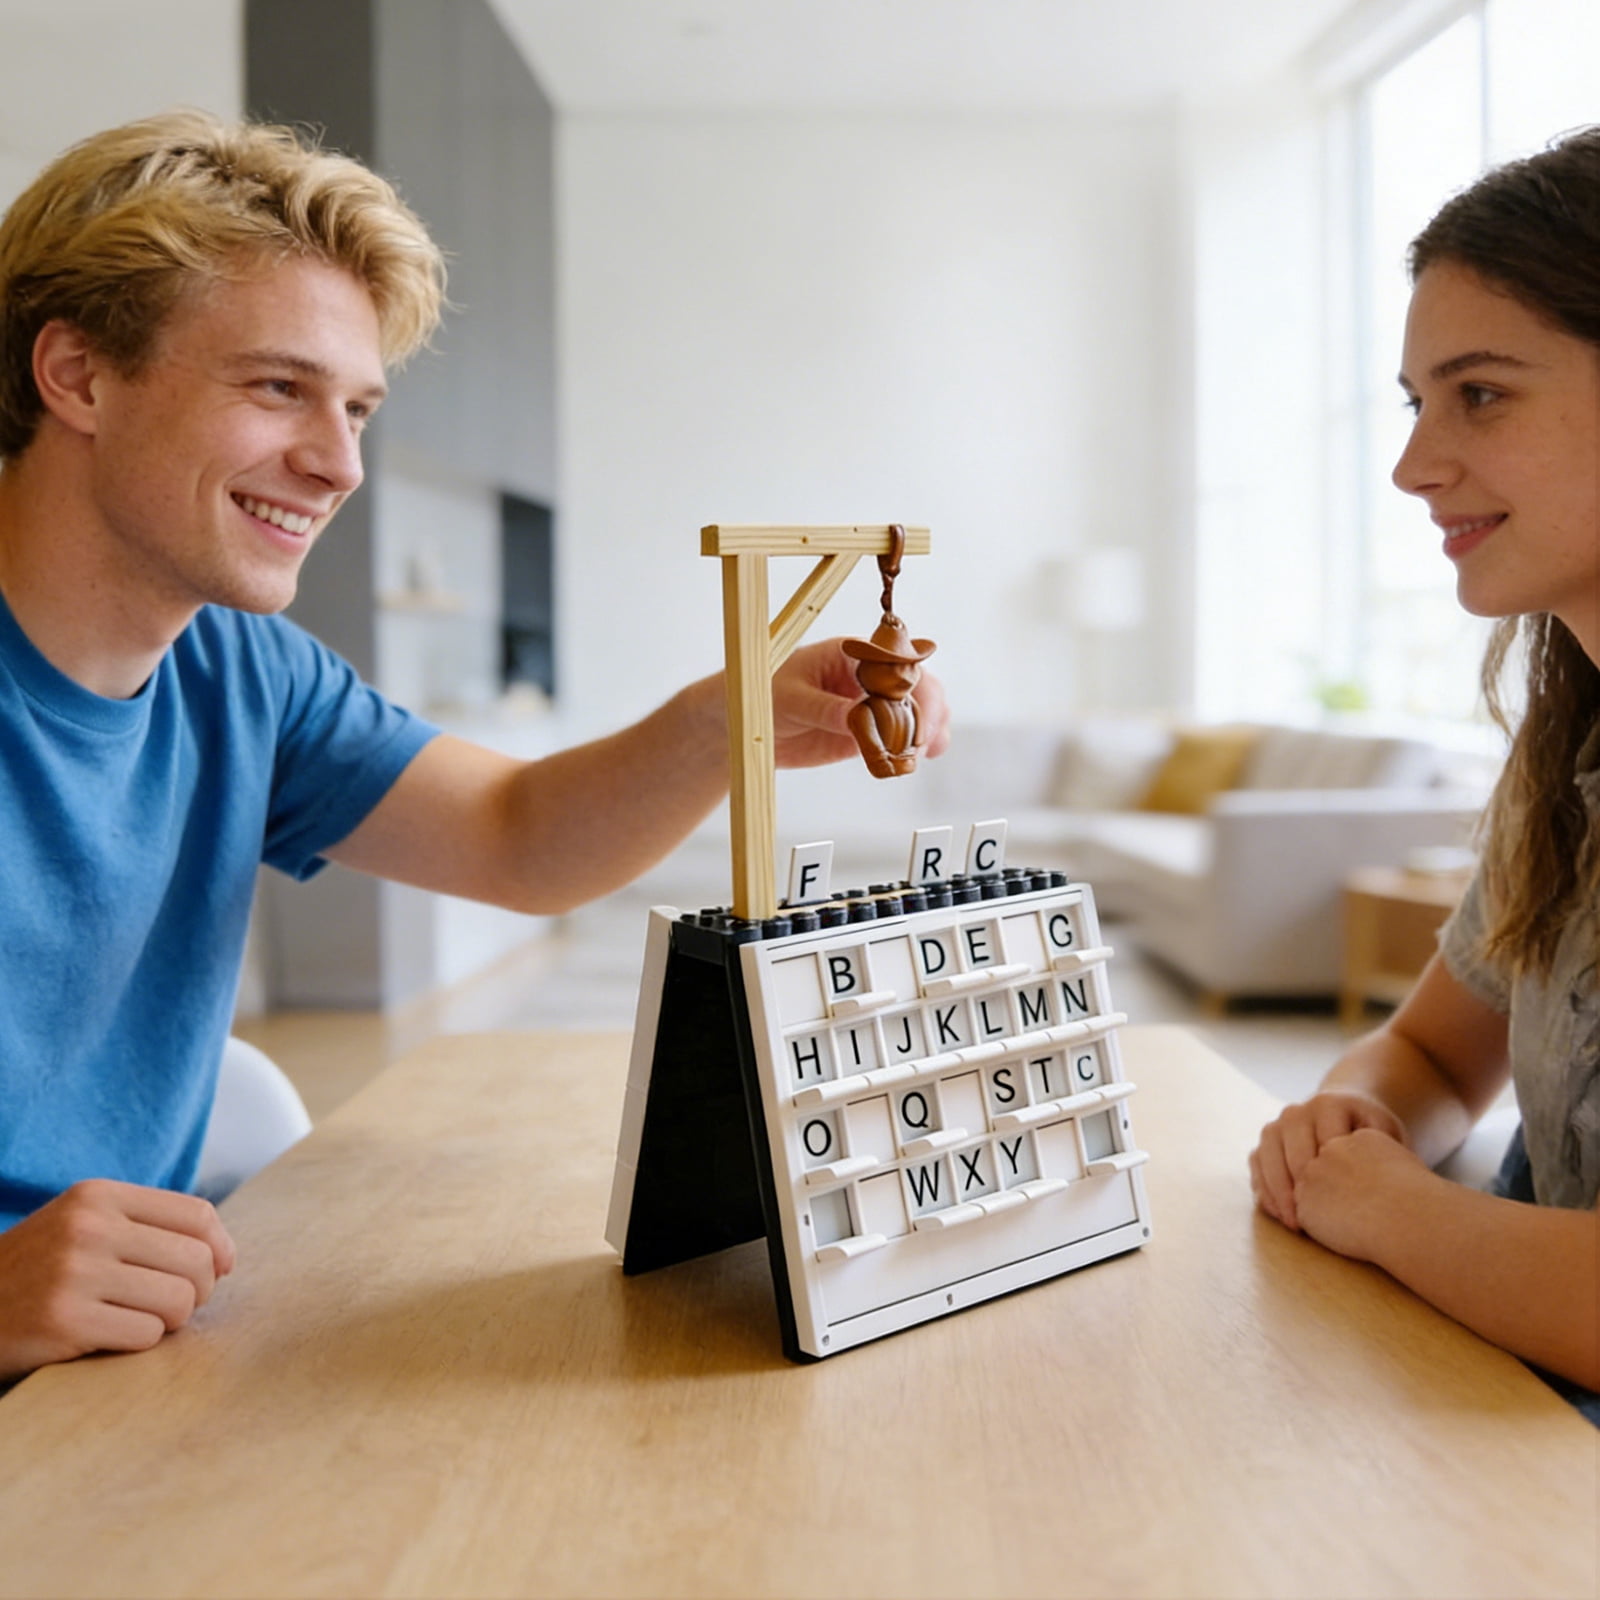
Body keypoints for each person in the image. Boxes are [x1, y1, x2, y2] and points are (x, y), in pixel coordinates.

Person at [0, 111, 948, 1381]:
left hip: (130, 1370)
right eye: (277, 386)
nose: (338, 464)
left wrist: (747, 716)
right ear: (78, 376)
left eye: (357, 407)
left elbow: (516, 837)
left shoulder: (243, 673)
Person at [1249, 127, 1600, 1421]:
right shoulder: (1564, 754)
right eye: (1415, 403)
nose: (1411, 466)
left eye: (1482, 395)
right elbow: (1439, 1059)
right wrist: (1355, 1121)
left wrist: (1393, 1217)